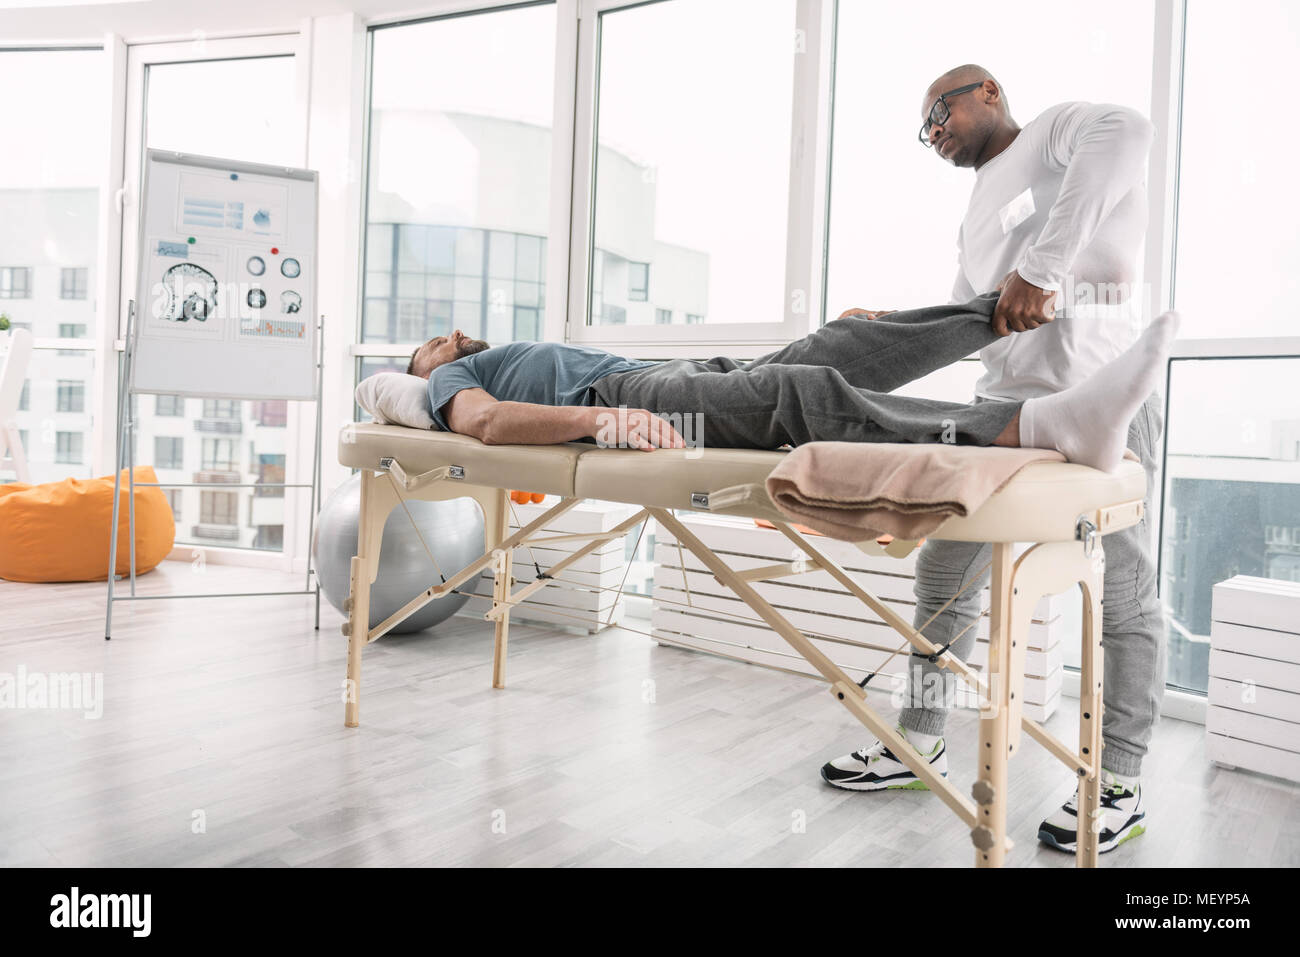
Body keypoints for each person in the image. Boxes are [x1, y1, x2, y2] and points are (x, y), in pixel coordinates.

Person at [820, 64, 1162, 855]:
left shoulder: (1056, 131)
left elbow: (1131, 132)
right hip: (1007, 414)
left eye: (939, 112)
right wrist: (889, 325)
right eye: (924, 129)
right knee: (946, 574)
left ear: (989, 93)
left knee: (1123, 589)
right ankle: (922, 737)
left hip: (1103, 396)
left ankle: (1120, 780)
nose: (932, 132)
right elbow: (967, 312)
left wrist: (1041, 268)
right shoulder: (978, 208)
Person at [406, 297, 1176, 481]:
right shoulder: (451, 377)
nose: (441, 338)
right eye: (425, 347)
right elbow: (491, 425)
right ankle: (1042, 426)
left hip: (659, 379)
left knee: (839, 342)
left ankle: (1014, 304)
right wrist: (604, 425)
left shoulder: (504, 345)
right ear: (420, 371)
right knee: (802, 393)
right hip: (625, 399)